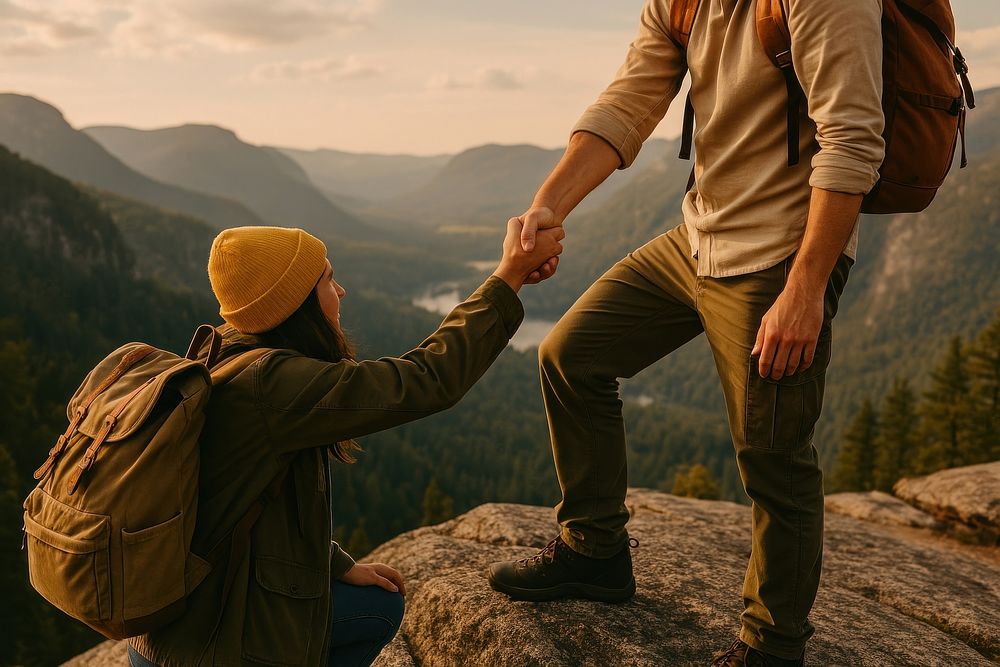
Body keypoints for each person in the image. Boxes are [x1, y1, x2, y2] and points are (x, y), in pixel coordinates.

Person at [487, 1, 885, 665]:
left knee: (772, 452)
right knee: (571, 355)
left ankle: (772, 644)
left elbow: (852, 140)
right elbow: (629, 102)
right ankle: (595, 550)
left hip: (781, 255)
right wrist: (545, 206)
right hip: (697, 238)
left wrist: (806, 290)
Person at [126, 220, 563, 667]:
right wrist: (509, 275)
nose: (342, 291)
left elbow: (242, 508)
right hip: (212, 646)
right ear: (295, 303)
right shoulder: (271, 385)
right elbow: (426, 380)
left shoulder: (222, 354)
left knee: (368, 597)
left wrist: (334, 566)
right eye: (329, 280)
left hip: (161, 640)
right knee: (379, 608)